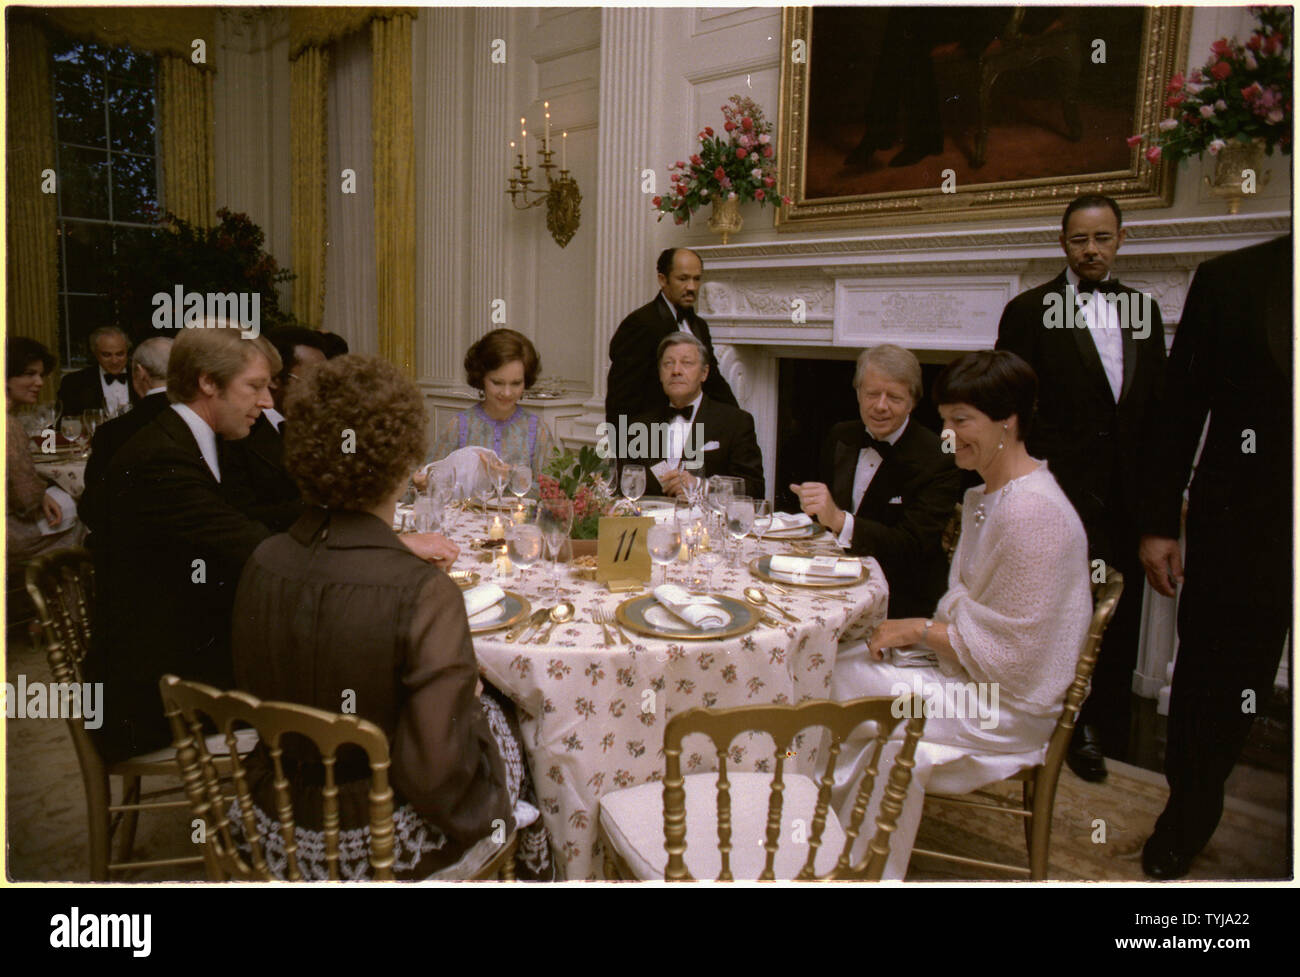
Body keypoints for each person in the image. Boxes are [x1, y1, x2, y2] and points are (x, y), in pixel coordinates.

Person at [230, 354, 550, 880]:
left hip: (269, 821)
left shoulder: (262, 560)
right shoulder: (423, 591)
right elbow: (437, 783)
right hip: (374, 844)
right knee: (522, 723)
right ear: (405, 466)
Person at [93, 325, 460, 763]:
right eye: (254, 387)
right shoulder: (159, 459)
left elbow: (260, 519)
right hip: (156, 697)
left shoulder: (199, 438)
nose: (268, 402)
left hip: (188, 646)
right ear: (208, 383)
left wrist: (372, 532)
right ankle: (358, 796)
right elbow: (258, 550)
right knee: (373, 681)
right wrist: (387, 552)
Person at [831, 349, 1093, 879]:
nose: (947, 435)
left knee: (832, 684)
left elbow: (1015, 658)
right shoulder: (989, 494)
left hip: (1007, 705)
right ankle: (833, 841)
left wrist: (920, 629)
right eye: (945, 421)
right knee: (835, 667)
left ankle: (844, 858)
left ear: (1008, 421)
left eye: (961, 422)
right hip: (974, 676)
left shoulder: (1031, 511)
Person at [995, 193, 1165, 782]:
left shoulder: (1144, 309)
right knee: (1058, 607)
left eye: (1102, 238)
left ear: (1120, 240)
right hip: (1058, 494)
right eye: (1079, 240)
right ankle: (1058, 722)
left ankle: (1103, 725)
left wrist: (1159, 511)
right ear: (1062, 243)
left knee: (1114, 611)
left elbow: (1156, 410)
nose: (1091, 249)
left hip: (1127, 497)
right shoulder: (1028, 310)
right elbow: (1006, 409)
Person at [1137, 235, 1292, 880]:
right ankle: (1189, 816)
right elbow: (1180, 407)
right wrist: (1156, 523)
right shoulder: (1232, 278)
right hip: (1243, 521)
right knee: (1217, 683)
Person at [789, 344, 960, 619]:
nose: (880, 406)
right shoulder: (840, 435)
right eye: (871, 394)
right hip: (831, 586)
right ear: (857, 393)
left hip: (900, 603)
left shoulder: (939, 458)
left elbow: (911, 546)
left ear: (912, 402)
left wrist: (840, 520)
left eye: (893, 397)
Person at [620, 332, 764, 500]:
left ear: (704, 373)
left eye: (686, 363)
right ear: (660, 374)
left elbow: (755, 489)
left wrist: (701, 486)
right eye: (668, 364)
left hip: (707, 523)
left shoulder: (735, 422)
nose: (676, 371)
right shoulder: (639, 426)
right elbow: (624, 487)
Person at [606, 247, 737, 428]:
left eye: (696, 279)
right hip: (651, 439)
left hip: (695, 433)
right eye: (683, 279)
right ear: (662, 279)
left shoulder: (700, 326)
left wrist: (739, 422)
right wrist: (626, 450)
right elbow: (621, 399)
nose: (691, 287)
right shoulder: (640, 323)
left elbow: (713, 380)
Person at [222, 326, 326, 532]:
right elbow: (242, 513)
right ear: (276, 380)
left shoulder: (314, 424)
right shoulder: (237, 430)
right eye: (315, 380)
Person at [78, 336, 174, 539]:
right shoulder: (205, 420)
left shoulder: (110, 432)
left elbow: (92, 510)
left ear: (139, 372)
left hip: (129, 550)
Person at [424, 328, 556, 474]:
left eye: (516, 383)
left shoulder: (538, 431)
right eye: (497, 382)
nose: (506, 393)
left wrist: (511, 479)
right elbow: (430, 479)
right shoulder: (459, 427)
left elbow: (551, 491)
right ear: (481, 378)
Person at [5, 337, 85, 562]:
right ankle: (67, 595)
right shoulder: (9, 426)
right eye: (29, 374)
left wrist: (40, 495)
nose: (39, 382)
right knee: (86, 518)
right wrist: (39, 496)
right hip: (12, 534)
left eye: (40, 375)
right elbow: (27, 499)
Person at [57, 326, 138, 416]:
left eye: (120, 354)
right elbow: (64, 422)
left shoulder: (143, 378)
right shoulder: (73, 383)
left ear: (127, 352)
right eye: (107, 355)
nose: (114, 361)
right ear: (95, 353)